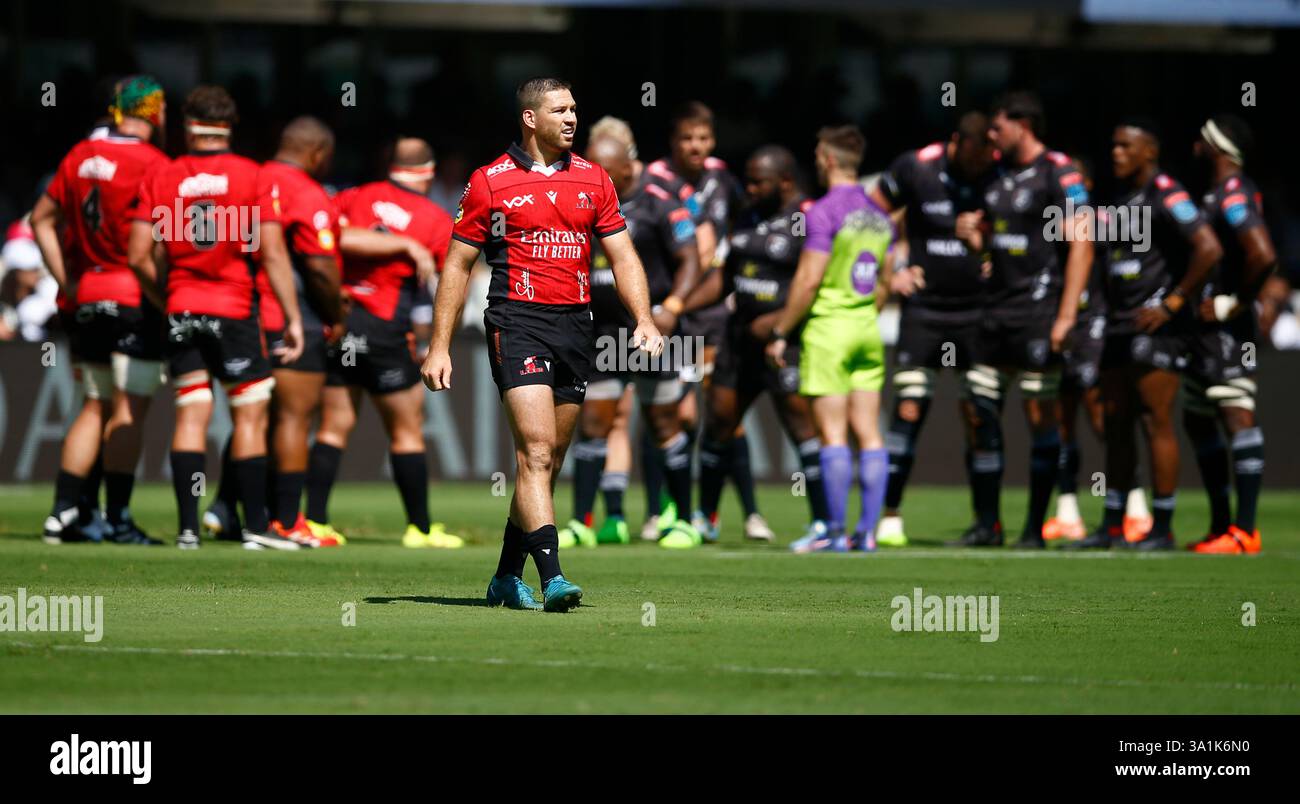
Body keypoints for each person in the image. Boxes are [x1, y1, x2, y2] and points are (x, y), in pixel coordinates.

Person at [421, 78, 662, 611]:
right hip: (517, 321)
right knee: (532, 451)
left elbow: (622, 256)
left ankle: (507, 576)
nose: (572, 118)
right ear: (530, 119)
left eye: (575, 108)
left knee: (547, 462)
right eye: (560, 110)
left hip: (577, 325)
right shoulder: (490, 182)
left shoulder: (594, 179)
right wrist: (439, 345)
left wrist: (643, 318)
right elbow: (458, 264)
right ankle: (554, 578)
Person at [127, 84, 305, 550]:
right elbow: (272, 253)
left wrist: (167, 298)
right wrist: (292, 316)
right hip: (234, 309)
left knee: (191, 414)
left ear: (189, 126)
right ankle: (254, 528)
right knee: (249, 415)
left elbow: (138, 254)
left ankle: (187, 529)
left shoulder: (164, 174)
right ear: (228, 126)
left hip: (182, 308)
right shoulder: (253, 175)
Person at [1070, 118, 1221, 550]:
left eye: (1125, 146)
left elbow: (1209, 248)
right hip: (1117, 322)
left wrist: (1173, 303)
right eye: (1113, 146)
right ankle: (1113, 524)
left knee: (1156, 420)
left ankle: (1162, 527)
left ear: (1148, 151)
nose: (1115, 153)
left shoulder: (1166, 193)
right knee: (1115, 422)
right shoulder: (1113, 198)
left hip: (1156, 327)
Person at [31, 76, 170, 545]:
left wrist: (67, 280)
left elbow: (39, 221)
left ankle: (65, 512)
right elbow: (153, 246)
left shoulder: (79, 156)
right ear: (154, 112)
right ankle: (119, 520)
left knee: (93, 405)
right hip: (133, 300)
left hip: (87, 296)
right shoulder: (154, 163)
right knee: (128, 408)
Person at [952, 91, 1093, 548]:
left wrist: (1066, 314)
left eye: (997, 127)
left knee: (1040, 417)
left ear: (1023, 124)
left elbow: (1082, 243)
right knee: (978, 411)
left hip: (1039, 310)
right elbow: (997, 244)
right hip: (993, 312)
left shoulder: (1059, 171)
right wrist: (975, 240)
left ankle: (1034, 528)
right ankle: (987, 525)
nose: (991, 136)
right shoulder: (997, 175)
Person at [309, 138, 464, 549]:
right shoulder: (432, 217)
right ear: (428, 173)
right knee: (407, 430)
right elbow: (452, 280)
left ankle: (316, 521)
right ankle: (421, 529)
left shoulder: (352, 197)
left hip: (341, 325)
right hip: (385, 331)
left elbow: (329, 238)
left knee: (333, 425)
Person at [202, 116, 345, 547]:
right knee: (293, 417)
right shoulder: (306, 190)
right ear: (317, 154)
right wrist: (335, 312)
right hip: (289, 316)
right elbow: (319, 269)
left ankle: (225, 509)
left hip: (242, 312)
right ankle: (286, 520)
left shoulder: (252, 178)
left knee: (253, 416)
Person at [565, 133, 701, 549]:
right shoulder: (579, 200)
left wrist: (673, 306)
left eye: (607, 169)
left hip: (650, 332)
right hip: (603, 333)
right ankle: (581, 522)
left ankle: (683, 521)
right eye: (592, 166)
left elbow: (692, 258)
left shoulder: (659, 202)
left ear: (628, 169)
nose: (598, 175)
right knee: (594, 426)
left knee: (665, 423)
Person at [686, 144, 828, 543]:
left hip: (784, 344)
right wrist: (678, 306)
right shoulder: (745, 215)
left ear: (784, 181)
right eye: (746, 179)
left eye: (757, 181)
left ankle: (821, 524)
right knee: (718, 421)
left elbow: (814, 283)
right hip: (738, 338)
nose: (748, 187)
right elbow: (724, 278)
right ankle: (706, 517)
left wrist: (780, 326)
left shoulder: (807, 218)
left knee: (801, 428)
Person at [867, 112, 995, 547]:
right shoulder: (915, 167)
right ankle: (890, 516)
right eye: (973, 159)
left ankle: (985, 523)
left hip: (977, 313)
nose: (978, 168)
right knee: (908, 411)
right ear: (955, 143)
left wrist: (992, 252)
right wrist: (893, 272)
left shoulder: (1000, 174)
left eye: (985, 162)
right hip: (924, 312)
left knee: (979, 414)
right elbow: (870, 217)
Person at [766, 125, 893, 552]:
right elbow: (885, 283)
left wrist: (782, 331)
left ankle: (836, 533)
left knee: (834, 436)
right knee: (871, 435)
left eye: (819, 156)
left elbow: (807, 281)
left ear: (830, 159)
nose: (817, 163)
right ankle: (869, 533)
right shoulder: (879, 215)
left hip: (829, 331)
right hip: (867, 330)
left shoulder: (822, 211)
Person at [645, 102, 758, 541]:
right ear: (672, 142)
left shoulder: (721, 177)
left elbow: (746, 222)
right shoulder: (654, 180)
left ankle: (749, 513)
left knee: (724, 413)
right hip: (667, 314)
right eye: (687, 139)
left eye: (703, 138)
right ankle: (661, 511)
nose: (696, 146)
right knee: (669, 410)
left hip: (711, 313)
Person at [1182, 115, 1277, 554]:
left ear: (1218, 146)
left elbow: (1262, 255)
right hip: (1201, 330)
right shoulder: (1212, 193)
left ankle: (1245, 530)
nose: (1195, 145)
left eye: (1203, 138)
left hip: (1226, 327)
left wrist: (1235, 302)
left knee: (1236, 413)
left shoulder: (1234, 192)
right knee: (1198, 416)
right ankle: (1222, 526)